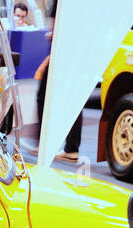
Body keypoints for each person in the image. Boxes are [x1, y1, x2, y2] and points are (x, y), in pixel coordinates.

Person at [34, 0, 80, 162]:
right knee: (73, 98)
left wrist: (53, 35)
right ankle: (71, 148)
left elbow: (56, 25)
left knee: (43, 96)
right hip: (74, 53)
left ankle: (45, 143)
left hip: (61, 53)